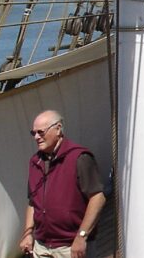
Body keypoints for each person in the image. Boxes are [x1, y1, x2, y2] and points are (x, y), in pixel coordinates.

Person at [20, 110, 106, 258]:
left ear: (58, 129)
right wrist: (27, 233)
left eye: (41, 132)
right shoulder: (35, 162)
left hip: (71, 246)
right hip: (42, 246)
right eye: (33, 133)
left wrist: (81, 236)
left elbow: (98, 198)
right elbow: (33, 202)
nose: (36, 137)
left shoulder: (79, 158)